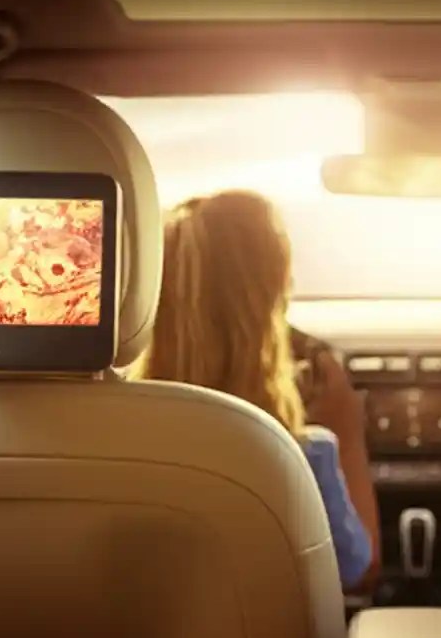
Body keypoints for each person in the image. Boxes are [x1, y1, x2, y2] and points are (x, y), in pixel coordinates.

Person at [130, 191, 378, 589]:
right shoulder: (300, 458)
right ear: (269, 311)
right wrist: (346, 438)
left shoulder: (118, 450)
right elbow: (358, 571)